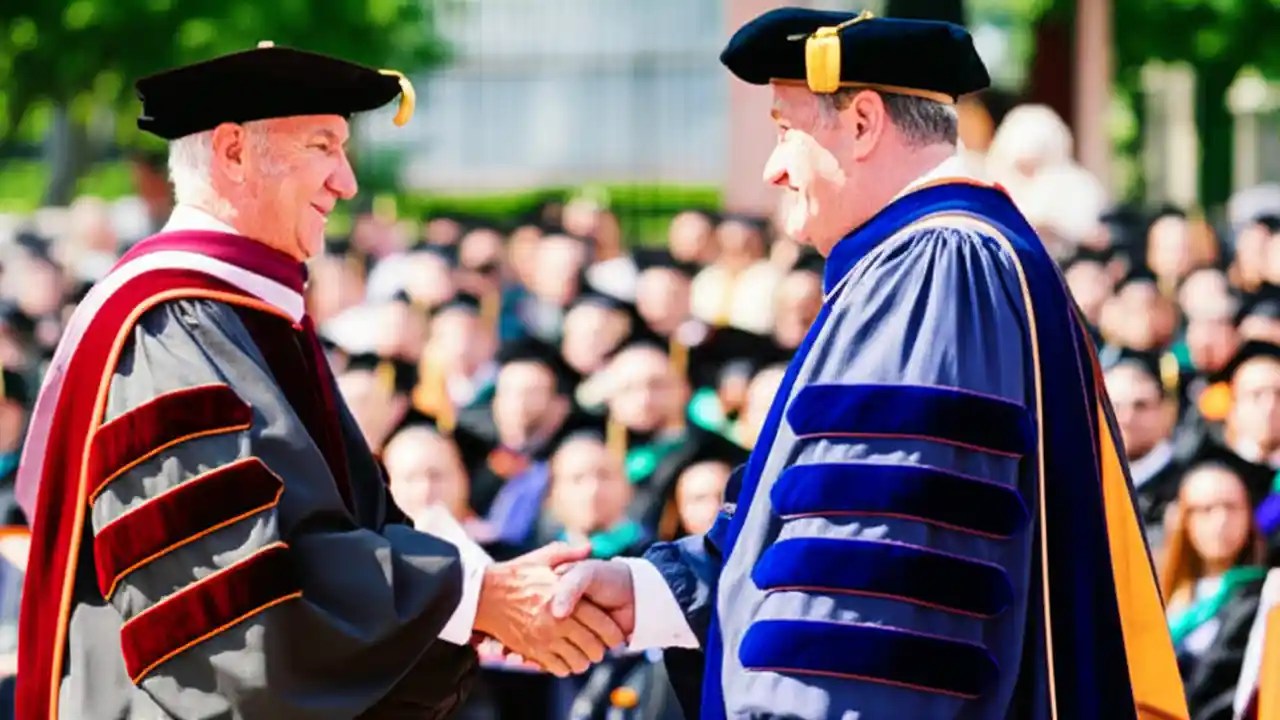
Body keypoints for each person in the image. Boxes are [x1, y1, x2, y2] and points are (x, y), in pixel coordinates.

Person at [552, 8, 1189, 719]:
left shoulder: (938, 269)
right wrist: (649, 591)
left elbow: (876, 579)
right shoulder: (937, 261)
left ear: (860, 123)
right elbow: (817, 528)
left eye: (785, 129)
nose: (773, 167)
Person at [14, 44, 622, 720]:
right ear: (234, 152)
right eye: (324, 145)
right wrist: (471, 594)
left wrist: (477, 598)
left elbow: (333, 530)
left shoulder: (246, 316)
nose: (348, 182)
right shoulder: (172, 326)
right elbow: (233, 603)